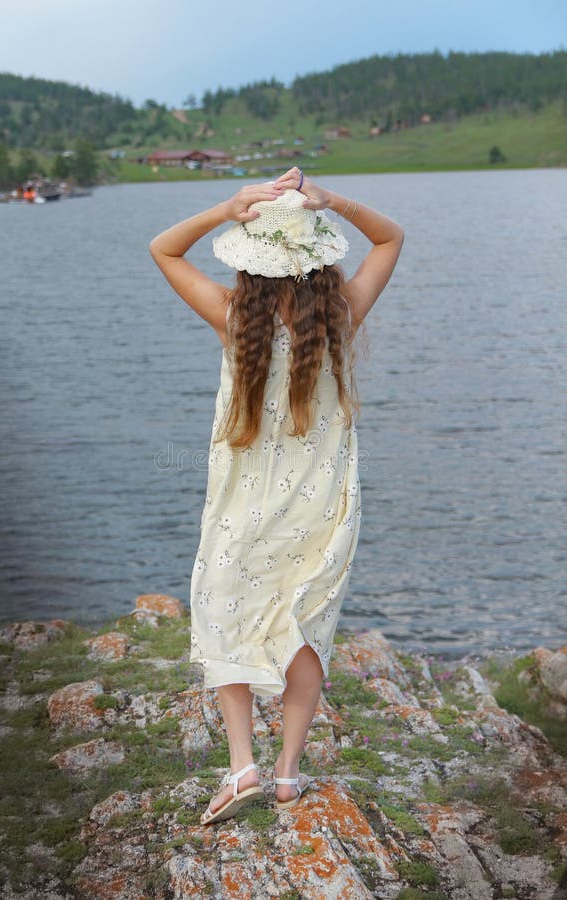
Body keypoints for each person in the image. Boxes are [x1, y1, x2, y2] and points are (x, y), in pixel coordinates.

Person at [149, 166, 404, 825]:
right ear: (319, 259)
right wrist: (331, 199)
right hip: (324, 508)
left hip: (244, 507)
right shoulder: (344, 313)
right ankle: (288, 774)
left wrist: (227, 207)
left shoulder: (233, 317)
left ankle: (243, 768)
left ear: (252, 261)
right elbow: (391, 238)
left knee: (223, 614)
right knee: (305, 633)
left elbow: (163, 248)